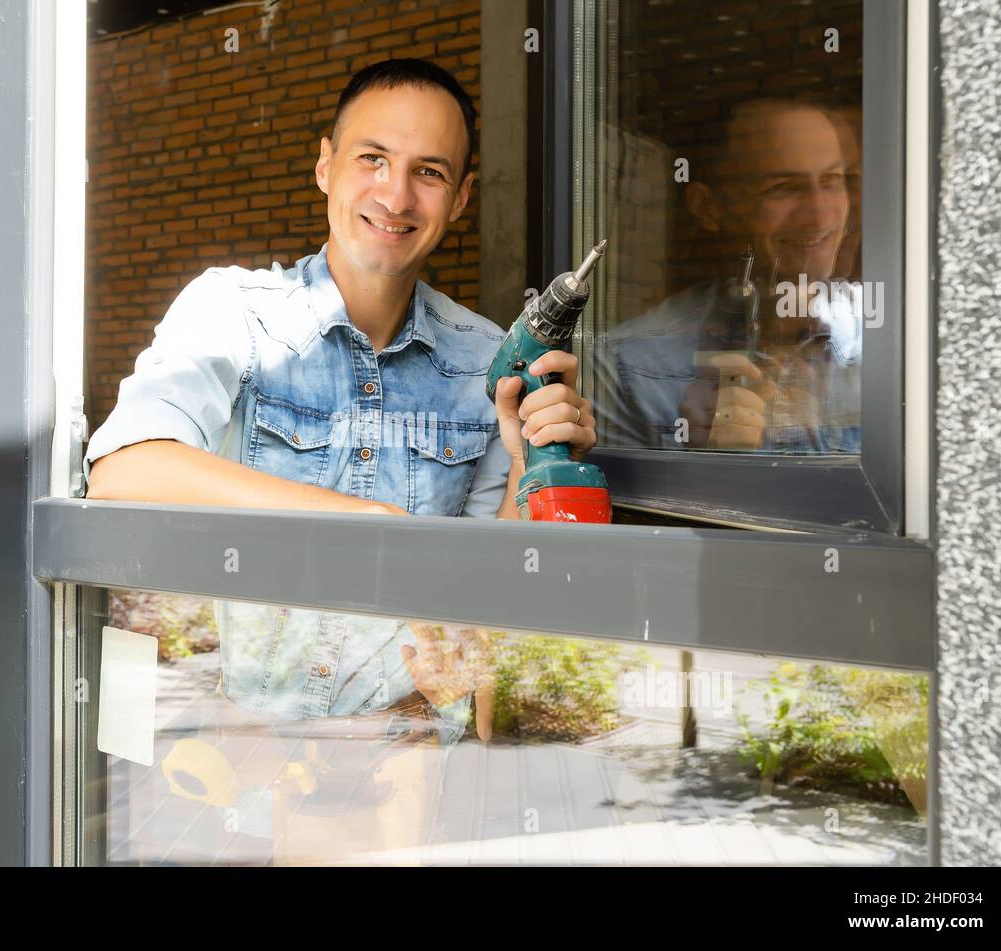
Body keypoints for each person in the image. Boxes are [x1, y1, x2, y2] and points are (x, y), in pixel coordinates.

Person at [84, 59, 599, 746]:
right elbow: (124, 472)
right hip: (253, 756)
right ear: (326, 165)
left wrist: (529, 459)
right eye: (373, 158)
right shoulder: (233, 313)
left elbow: (487, 604)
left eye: (430, 172)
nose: (396, 195)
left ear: (463, 196)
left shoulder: (485, 359)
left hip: (409, 754)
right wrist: (366, 521)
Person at [596, 96, 863, 454]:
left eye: (831, 180)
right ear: (708, 208)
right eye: (784, 187)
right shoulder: (631, 368)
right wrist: (710, 466)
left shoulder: (892, 339)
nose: (819, 215)